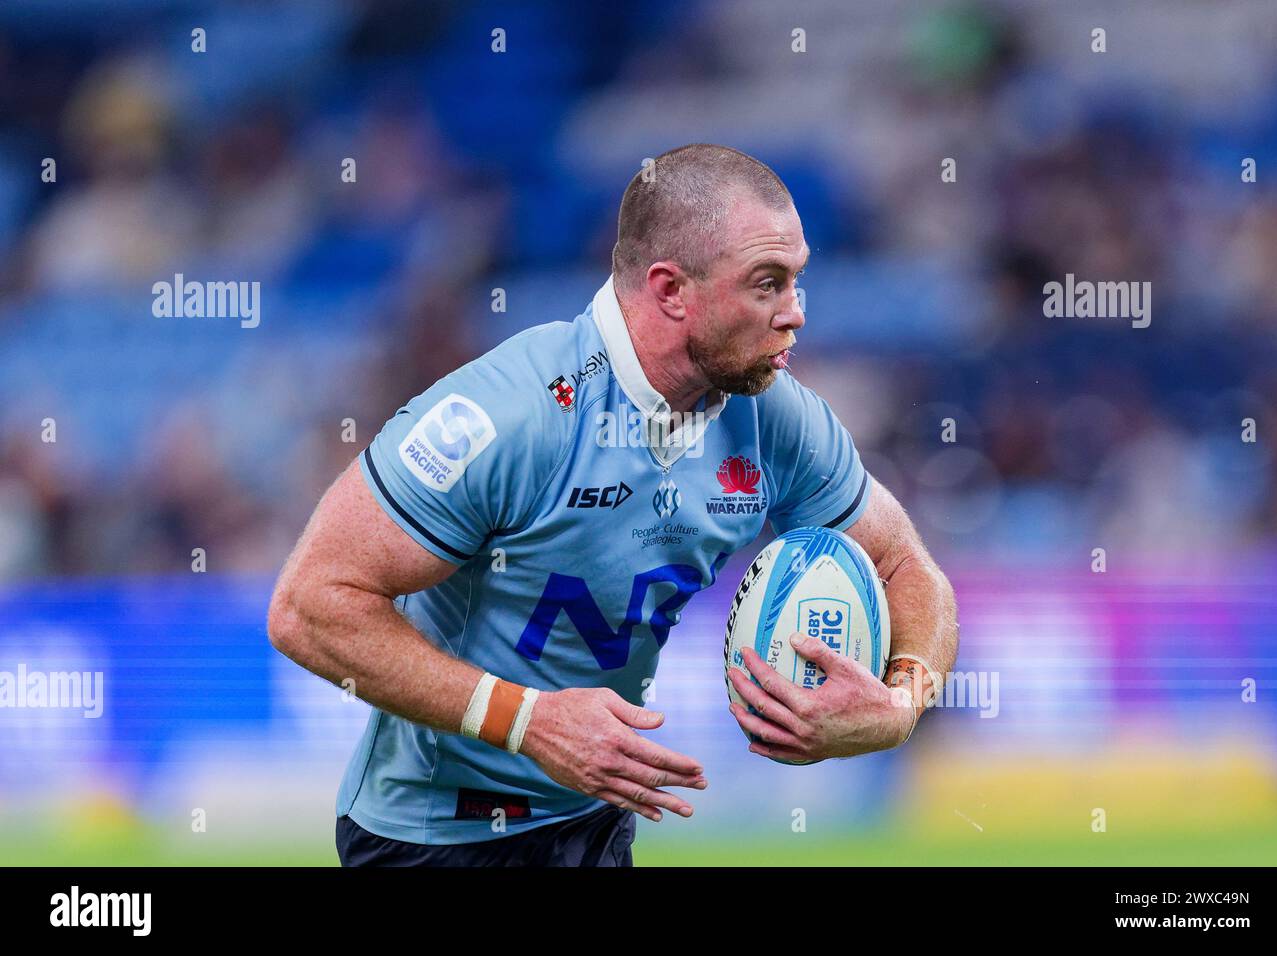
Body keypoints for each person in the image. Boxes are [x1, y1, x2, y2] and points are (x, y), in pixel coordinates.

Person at [267, 144, 958, 867]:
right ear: (670, 291)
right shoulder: (513, 413)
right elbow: (309, 605)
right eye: (767, 284)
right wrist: (529, 722)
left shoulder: (774, 418)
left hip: (593, 819)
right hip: (433, 838)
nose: (795, 314)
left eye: (797, 282)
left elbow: (904, 564)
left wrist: (899, 705)